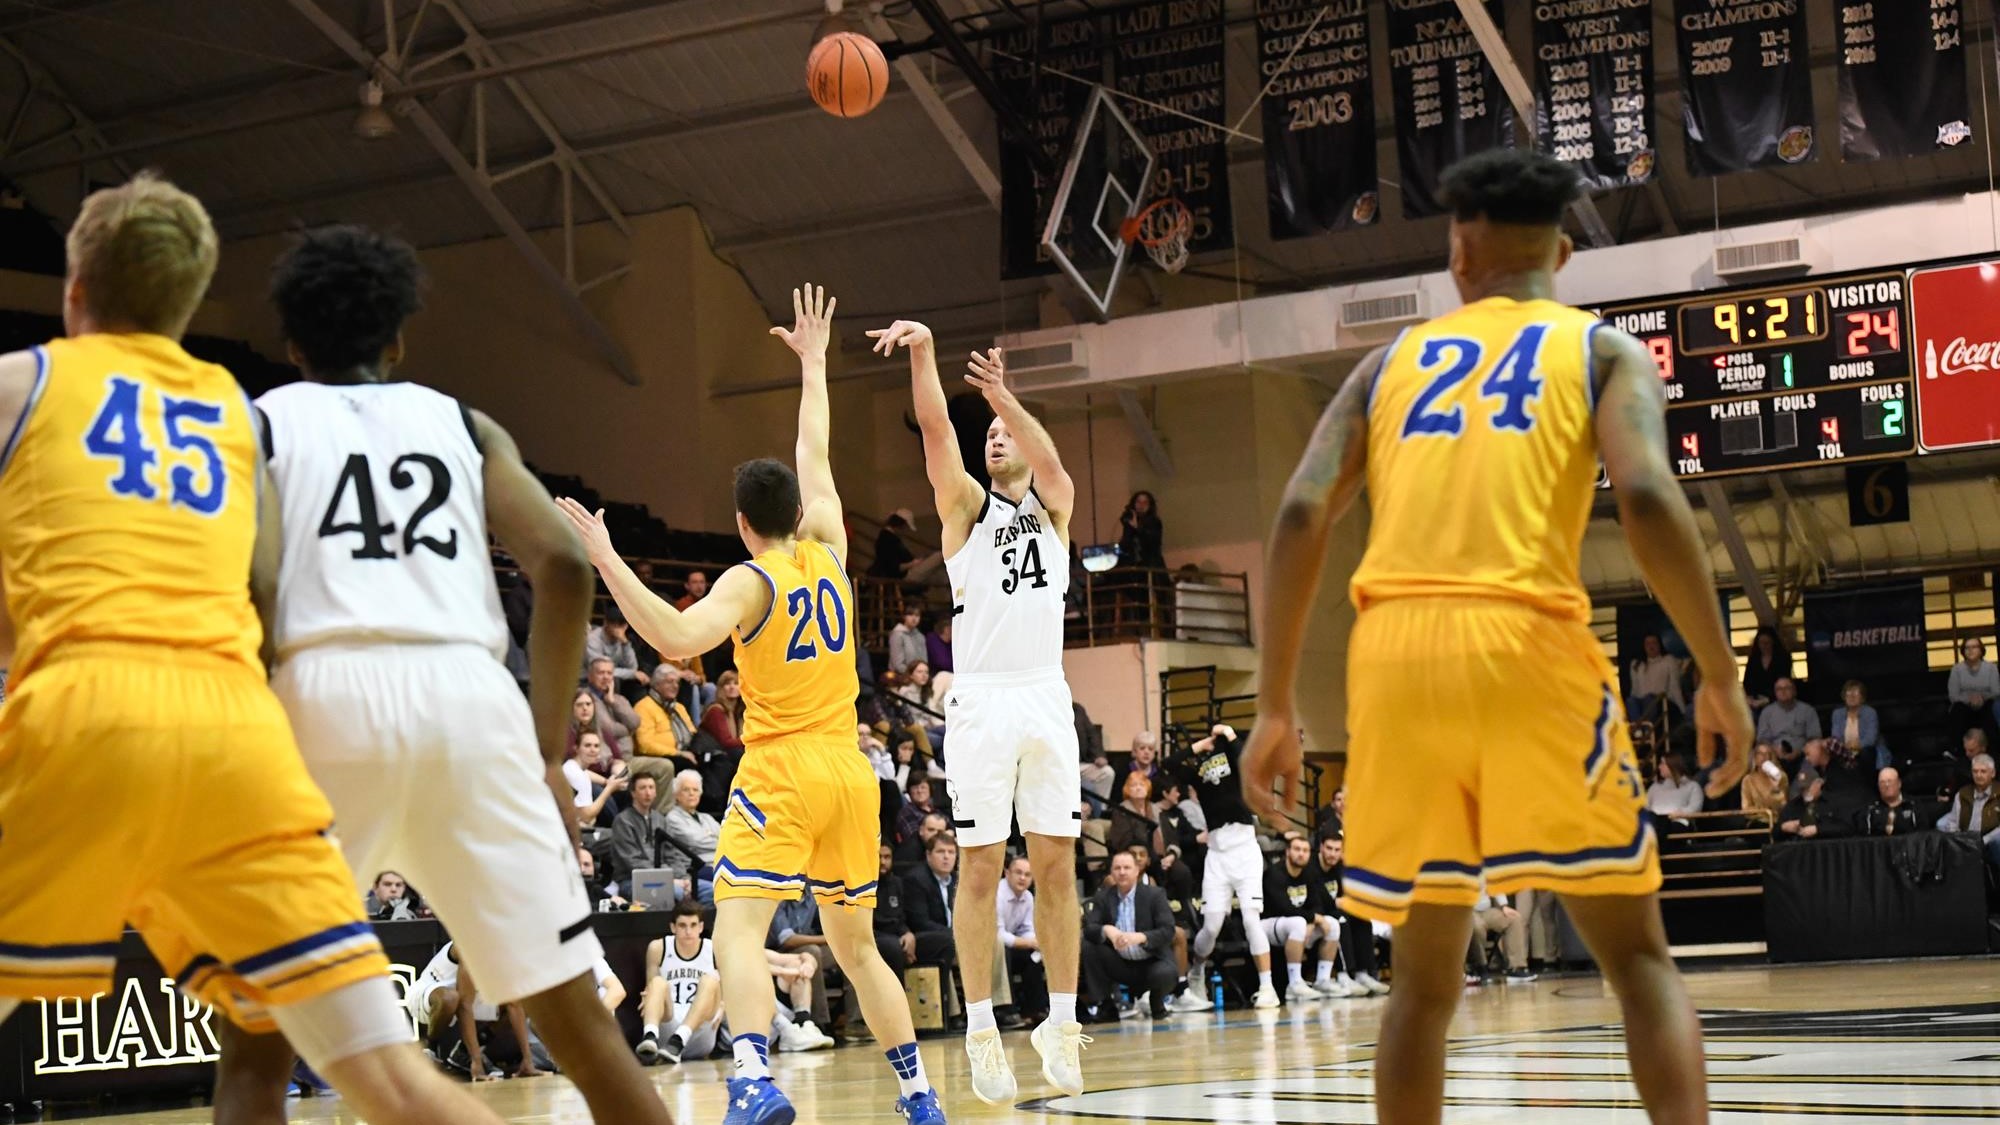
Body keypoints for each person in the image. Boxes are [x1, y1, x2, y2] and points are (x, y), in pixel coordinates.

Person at [1240, 148, 1753, 1125]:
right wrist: (1717, 675)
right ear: (1559, 253)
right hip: (1527, 643)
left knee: (1420, 991)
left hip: (1393, 656)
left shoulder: (1386, 363)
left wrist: (1273, 704)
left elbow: (1302, 514)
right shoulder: (1599, 351)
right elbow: (1643, 492)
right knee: (1639, 962)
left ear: (1455, 254)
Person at [0, 180, 510, 1125]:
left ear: (73, 289)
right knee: (390, 1080)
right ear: (189, 304)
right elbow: (263, 588)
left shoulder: (22, 382)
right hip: (237, 737)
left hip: (84, 707)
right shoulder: (236, 414)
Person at [218, 224, 673, 1124]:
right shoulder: (461, 423)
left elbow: (256, 581)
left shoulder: (258, 423)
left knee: (254, 1061)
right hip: (472, 703)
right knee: (585, 1034)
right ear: (397, 340)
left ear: (293, 344)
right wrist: (545, 751)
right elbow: (565, 566)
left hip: (322, 701)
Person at [557, 284, 944, 1125]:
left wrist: (608, 557)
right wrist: (812, 364)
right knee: (856, 946)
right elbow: (817, 450)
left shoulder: (749, 578)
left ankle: (753, 1080)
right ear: (797, 514)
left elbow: (672, 640)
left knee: (736, 930)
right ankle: (919, 1096)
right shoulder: (832, 547)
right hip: (851, 769)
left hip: (781, 768)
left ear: (741, 523)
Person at [870, 319, 1086, 1102]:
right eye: (990, 432)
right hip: (985, 699)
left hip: (1045, 692)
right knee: (982, 869)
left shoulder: (1056, 505)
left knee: (1059, 865)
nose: (996, 437)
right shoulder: (966, 508)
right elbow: (935, 427)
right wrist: (927, 353)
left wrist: (1005, 397)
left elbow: (1053, 461)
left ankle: (1061, 1020)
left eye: (1005, 431)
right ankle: (982, 1030)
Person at [1169, 724, 1282, 1012]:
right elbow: (1166, 766)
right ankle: (1196, 972)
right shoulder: (1197, 769)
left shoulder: (1237, 760)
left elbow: (1249, 758)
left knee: (1250, 919)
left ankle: (1267, 987)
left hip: (1245, 850)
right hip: (1217, 855)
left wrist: (1230, 734)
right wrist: (1199, 746)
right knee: (1212, 925)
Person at [1080, 852, 1178, 1022]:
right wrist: (1107, 930)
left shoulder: (1155, 895)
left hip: (1151, 961)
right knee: (1089, 945)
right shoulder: (1103, 897)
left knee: (1167, 972)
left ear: (1137, 871)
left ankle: (1157, 1002)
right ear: (1111, 872)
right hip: (1120, 963)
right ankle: (1105, 1003)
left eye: (1127, 868)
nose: (1122, 872)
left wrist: (1141, 937)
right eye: (1117, 868)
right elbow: (1090, 928)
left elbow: (1168, 930)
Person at [638, 901, 723, 1064]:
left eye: (693, 925)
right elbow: (650, 990)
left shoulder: (713, 949)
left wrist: (722, 1006)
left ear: (701, 927)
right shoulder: (658, 948)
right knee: (656, 983)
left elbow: (725, 990)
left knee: (710, 980)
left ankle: (680, 1039)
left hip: (701, 1029)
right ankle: (650, 1036)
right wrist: (649, 999)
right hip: (669, 1024)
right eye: (682, 925)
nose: (688, 931)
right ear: (673, 927)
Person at [1935, 753, 2000, 870]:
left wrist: (1984, 841)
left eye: (1983, 771)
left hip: (1990, 841)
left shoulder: (1999, 792)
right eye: (1975, 771)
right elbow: (1953, 821)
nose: (1978, 775)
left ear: (1993, 773)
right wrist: (1958, 840)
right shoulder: (1962, 794)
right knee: (1942, 825)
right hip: (1966, 840)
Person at [1948, 638, 2000, 743]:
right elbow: (1953, 695)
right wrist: (1969, 699)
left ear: (1981, 650)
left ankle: (1994, 751)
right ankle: (1957, 751)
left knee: (1993, 709)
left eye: (1974, 647)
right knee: (1957, 711)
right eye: (1967, 648)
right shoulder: (1956, 669)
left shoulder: (1991, 668)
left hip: (1986, 703)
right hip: (1964, 704)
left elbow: (1996, 691)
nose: (1970, 650)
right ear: (1963, 651)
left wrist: (1981, 698)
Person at [1831, 680, 1888, 772]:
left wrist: (1855, 746)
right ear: (1844, 696)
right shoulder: (1837, 714)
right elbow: (1836, 737)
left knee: (1866, 753)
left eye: (1855, 693)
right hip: (1844, 751)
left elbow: (1870, 739)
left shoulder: (1870, 713)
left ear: (1862, 697)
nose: (1851, 696)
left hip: (1864, 751)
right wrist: (1846, 748)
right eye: (1848, 693)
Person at [1755, 677, 1821, 755]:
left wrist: (1800, 751)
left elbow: (1815, 738)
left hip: (1804, 754)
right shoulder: (1767, 712)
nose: (1783, 691)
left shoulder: (1808, 710)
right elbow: (1762, 740)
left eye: (1787, 688)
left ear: (1794, 691)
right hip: (1774, 754)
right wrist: (1775, 750)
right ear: (1775, 692)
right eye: (1779, 689)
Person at [1858, 768, 1928, 837]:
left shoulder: (1914, 805)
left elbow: (1923, 836)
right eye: (1882, 782)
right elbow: (1864, 839)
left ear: (1899, 783)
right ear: (1878, 786)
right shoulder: (1870, 808)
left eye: (1890, 781)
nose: (1886, 785)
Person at [1742, 625, 1791, 711]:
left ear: (1773, 643)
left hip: (1776, 700)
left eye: (1767, 643)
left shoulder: (1782, 659)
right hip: (1755, 700)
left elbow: (1784, 681)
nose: (1764, 646)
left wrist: (1767, 699)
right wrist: (1749, 698)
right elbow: (1747, 681)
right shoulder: (1754, 659)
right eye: (1761, 643)